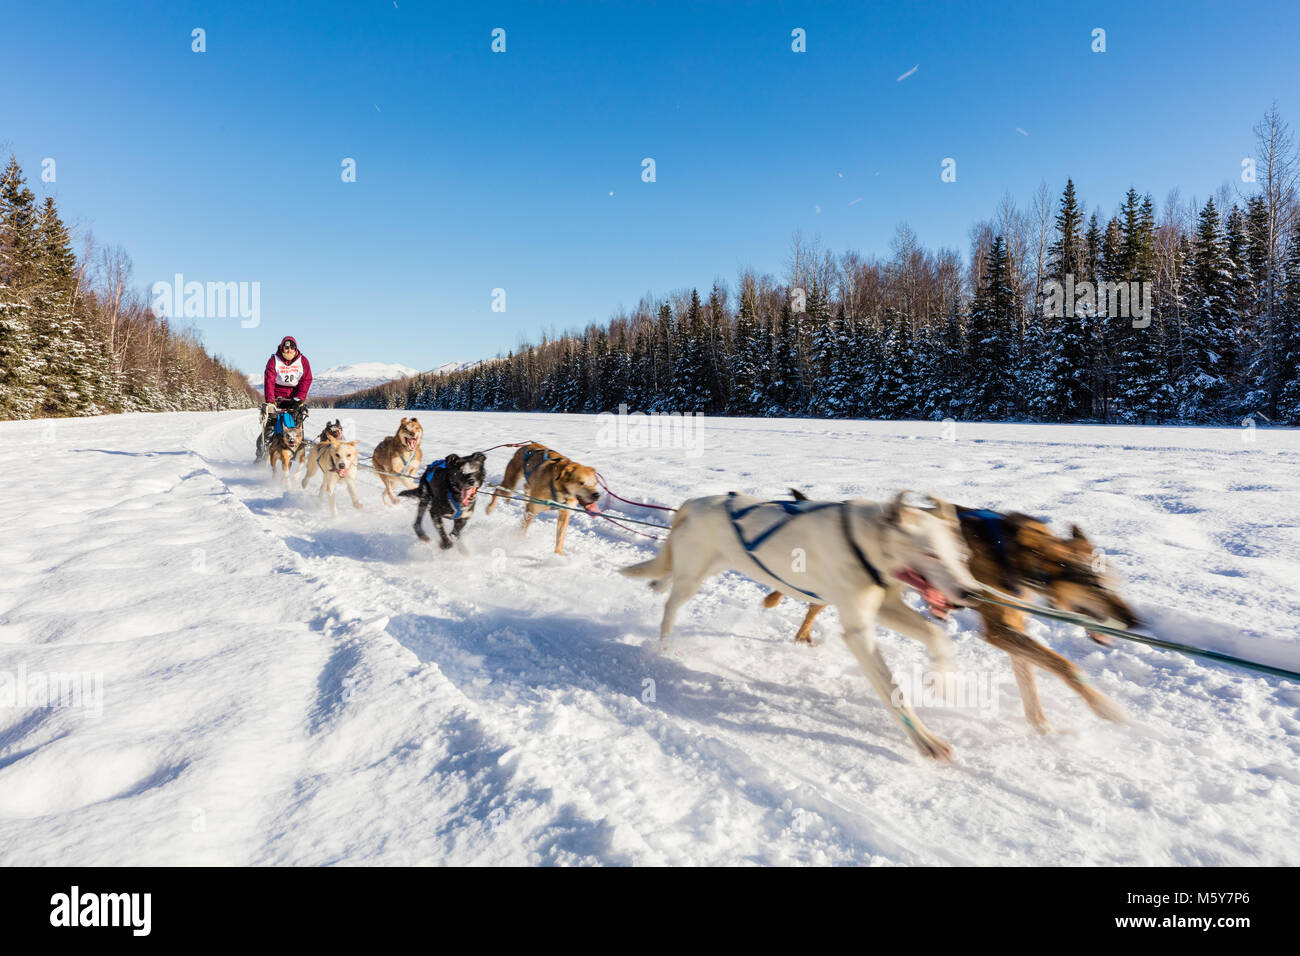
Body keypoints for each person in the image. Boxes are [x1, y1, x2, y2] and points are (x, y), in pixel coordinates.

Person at [256, 335, 313, 459]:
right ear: (282, 348)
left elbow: (306, 379)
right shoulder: (274, 360)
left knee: (295, 428)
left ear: (295, 349)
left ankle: (295, 455)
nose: (289, 350)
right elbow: (269, 380)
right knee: (270, 428)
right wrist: (270, 401)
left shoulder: (303, 361)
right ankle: (262, 454)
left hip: (294, 399)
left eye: (291, 348)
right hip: (277, 398)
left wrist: (300, 398)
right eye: (286, 348)